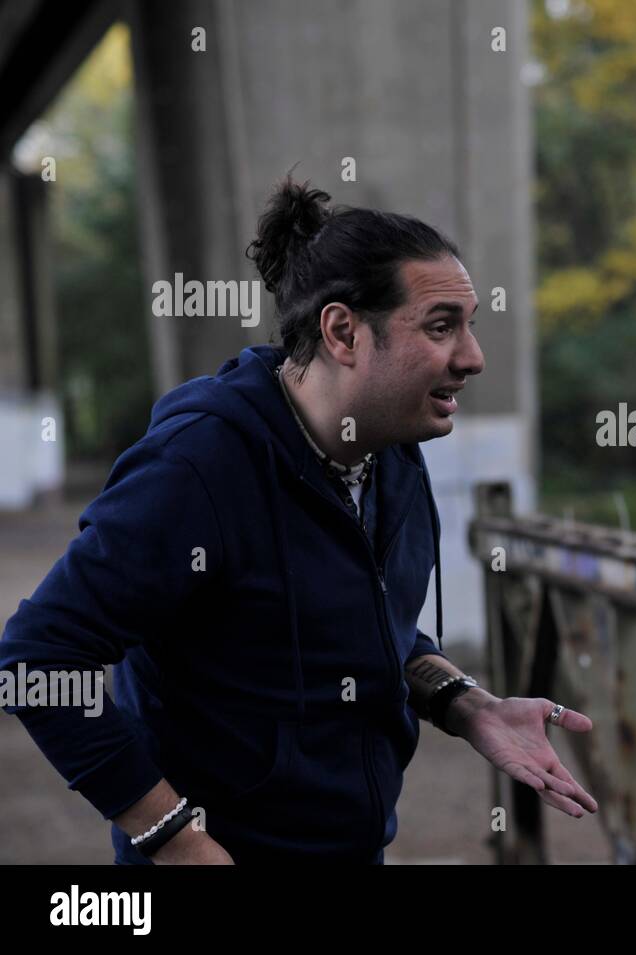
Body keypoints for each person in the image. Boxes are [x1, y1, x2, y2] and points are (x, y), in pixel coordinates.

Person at [0, 178, 597, 863]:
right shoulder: (198, 466)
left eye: (470, 323)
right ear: (343, 331)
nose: (473, 356)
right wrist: (172, 837)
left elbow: (367, 622)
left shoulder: (391, 447)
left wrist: (466, 703)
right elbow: (37, 658)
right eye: (441, 326)